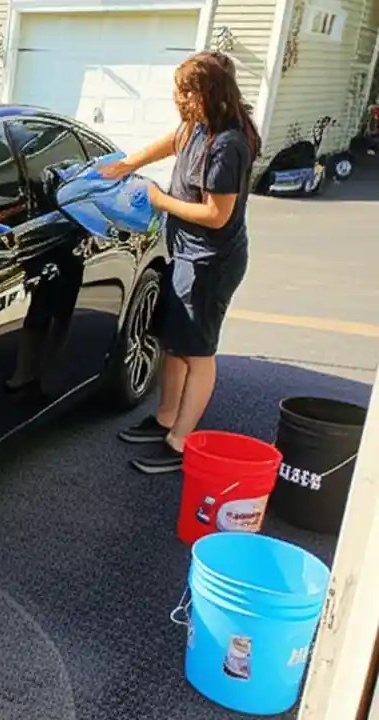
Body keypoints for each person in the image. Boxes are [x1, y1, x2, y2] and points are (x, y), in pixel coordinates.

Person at [100, 52, 262, 474]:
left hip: (211, 264)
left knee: (197, 351)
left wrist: (160, 200)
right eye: (178, 91)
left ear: (211, 92)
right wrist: (128, 164)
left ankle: (181, 441)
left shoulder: (228, 144)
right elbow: (173, 140)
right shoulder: (198, 125)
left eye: (187, 92)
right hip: (185, 254)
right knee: (173, 343)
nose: (179, 99)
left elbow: (216, 215)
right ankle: (165, 418)